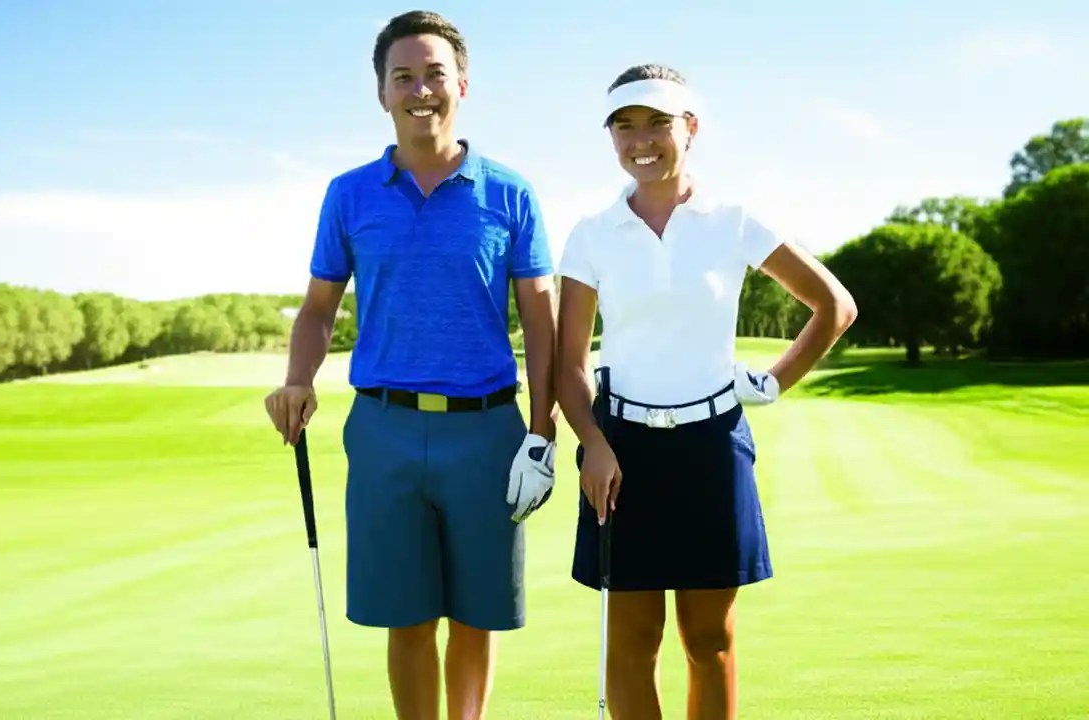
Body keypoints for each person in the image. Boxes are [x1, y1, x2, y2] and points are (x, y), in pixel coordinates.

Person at [264, 11, 559, 720]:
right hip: (384, 428)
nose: (419, 89)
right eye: (403, 77)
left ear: (462, 84)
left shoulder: (510, 193)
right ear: (382, 93)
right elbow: (316, 309)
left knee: (476, 615)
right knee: (407, 618)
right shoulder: (349, 194)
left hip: (487, 431)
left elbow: (542, 323)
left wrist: (543, 432)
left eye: (434, 74)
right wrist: (298, 379)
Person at [554, 64, 858, 719]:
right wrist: (593, 444)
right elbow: (569, 363)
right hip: (623, 450)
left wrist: (773, 382)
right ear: (610, 138)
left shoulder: (734, 221)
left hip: (712, 449)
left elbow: (834, 306)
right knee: (631, 645)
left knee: (709, 641)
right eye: (625, 126)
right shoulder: (590, 234)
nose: (642, 140)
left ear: (690, 128)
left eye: (657, 123)